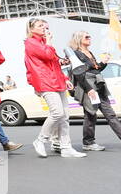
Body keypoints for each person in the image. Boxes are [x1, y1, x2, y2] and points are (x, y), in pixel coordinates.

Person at [65, 31, 121, 151]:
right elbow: (79, 73)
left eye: (89, 36)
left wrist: (103, 63)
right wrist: (89, 89)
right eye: (86, 37)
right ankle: (91, 142)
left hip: (98, 85)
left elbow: (96, 69)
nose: (89, 38)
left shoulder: (89, 52)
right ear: (79, 39)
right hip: (89, 86)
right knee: (93, 114)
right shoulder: (76, 54)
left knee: (101, 114)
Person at [24, 18, 84, 158]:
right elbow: (47, 55)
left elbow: (54, 62)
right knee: (57, 112)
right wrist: (49, 42)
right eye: (40, 26)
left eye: (46, 26)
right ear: (31, 29)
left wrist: (64, 78)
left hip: (56, 81)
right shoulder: (31, 42)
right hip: (45, 82)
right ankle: (41, 139)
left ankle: (65, 146)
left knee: (65, 116)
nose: (45, 28)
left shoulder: (44, 42)